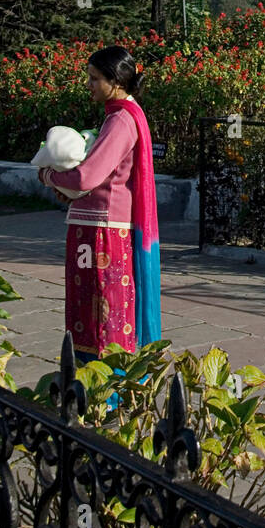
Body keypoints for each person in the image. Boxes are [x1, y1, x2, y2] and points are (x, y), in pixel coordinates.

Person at [39, 46, 161, 366]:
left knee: (101, 311)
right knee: (99, 306)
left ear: (115, 80)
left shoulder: (121, 119)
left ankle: (103, 389)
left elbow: (87, 177)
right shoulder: (119, 114)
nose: (89, 85)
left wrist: (48, 175)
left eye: (95, 78)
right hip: (98, 224)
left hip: (102, 231)